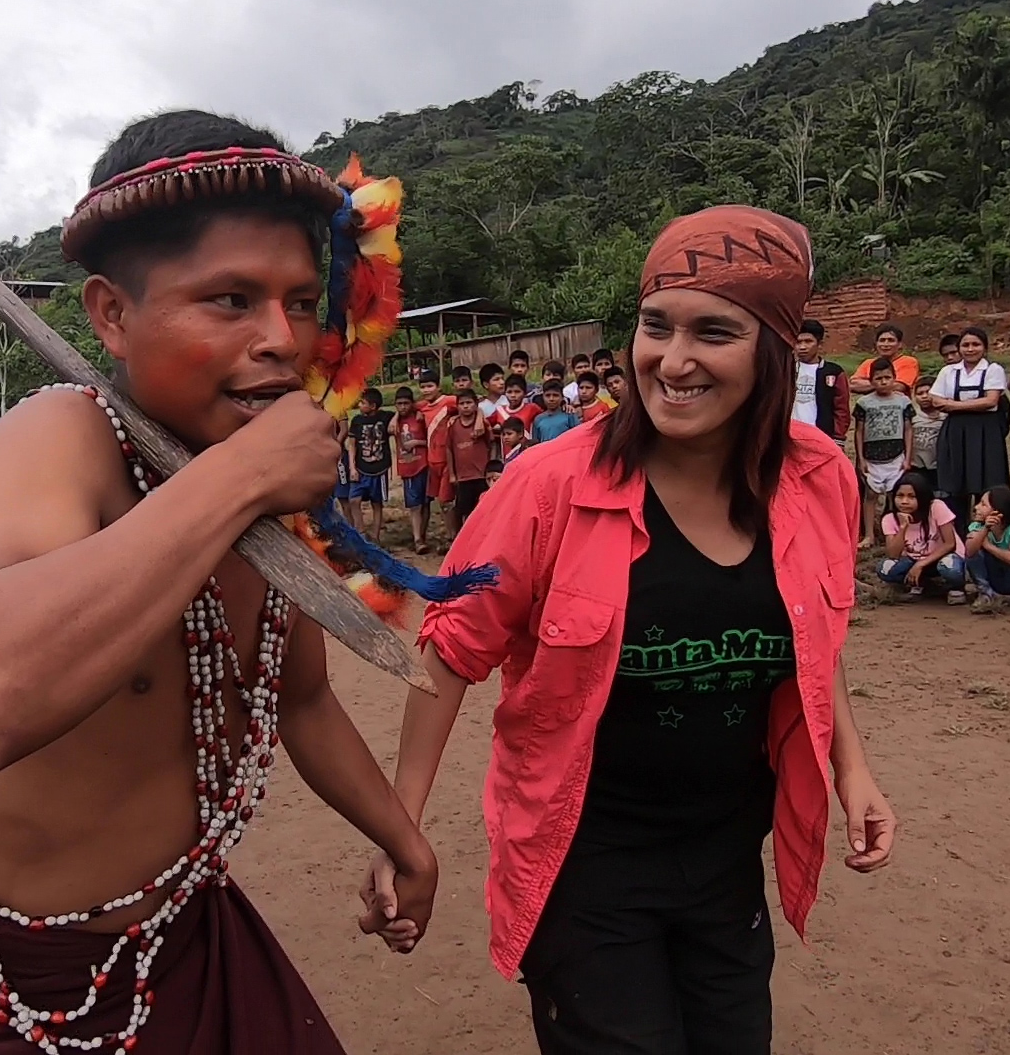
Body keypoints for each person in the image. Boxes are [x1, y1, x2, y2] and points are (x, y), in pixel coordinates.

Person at [0, 110, 437, 1054]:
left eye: (302, 302)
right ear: (111, 314)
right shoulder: (62, 438)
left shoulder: (250, 480)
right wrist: (242, 482)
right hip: (14, 982)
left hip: (189, 935)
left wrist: (404, 838)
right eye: (230, 300)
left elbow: (301, 699)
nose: (282, 339)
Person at [359, 205, 895, 1055]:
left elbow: (811, 639)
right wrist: (403, 830)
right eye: (656, 326)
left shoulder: (818, 476)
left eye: (714, 333)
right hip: (585, 865)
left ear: (774, 350)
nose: (673, 361)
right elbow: (452, 651)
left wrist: (852, 768)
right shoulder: (549, 487)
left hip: (726, 860)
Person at [925, 327, 1010, 532]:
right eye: (965, 345)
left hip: (985, 432)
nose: (970, 349)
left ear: (985, 347)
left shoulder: (993, 370)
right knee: (956, 481)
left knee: (987, 479)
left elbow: (991, 401)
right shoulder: (949, 371)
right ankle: (958, 530)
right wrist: (971, 404)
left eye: (976, 344)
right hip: (956, 431)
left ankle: (988, 528)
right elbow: (935, 398)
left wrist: (953, 405)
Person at [877, 471, 967, 604]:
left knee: (950, 568)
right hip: (914, 559)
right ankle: (921, 584)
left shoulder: (936, 507)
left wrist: (921, 564)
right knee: (885, 569)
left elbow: (950, 544)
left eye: (911, 497)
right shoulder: (889, 519)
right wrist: (903, 527)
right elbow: (892, 554)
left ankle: (956, 587)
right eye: (900, 496)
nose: (904, 501)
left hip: (942, 557)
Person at [852, 357, 915, 531]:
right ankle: (869, 534)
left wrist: (907, 457)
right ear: (871, 381)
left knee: (894, 494)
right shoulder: (864, 403)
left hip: (896, 454)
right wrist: (861, 458)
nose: (883, 382)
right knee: (871, 494)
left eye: (887, 377)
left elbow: (909, 430)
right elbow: (859, 431)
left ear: (894, 378)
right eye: (878, 379)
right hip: (872, 455)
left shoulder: (903, 401)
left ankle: (894, 531)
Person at [794, 319, 853, 442]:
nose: (802, 347)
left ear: (819, 344)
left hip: (822, 437)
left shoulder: (833, 372)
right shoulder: (787, 371)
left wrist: (838, 437)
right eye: (798, 342)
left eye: (808, 341)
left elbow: (841, 409)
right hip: (791, 436)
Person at [444, 391, 495, 532]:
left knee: (481, 509)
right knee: (461, 510)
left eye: (469, 403)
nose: (466, 406)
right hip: (463, 476)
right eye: (462, 403)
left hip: (481, 475)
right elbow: (449, 449)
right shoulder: (453, 425)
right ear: (457, 406)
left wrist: (490, 468)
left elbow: (491, 444)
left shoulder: (482, 424)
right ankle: (459, 538)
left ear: (476, 405)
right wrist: (452, 474)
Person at [350, 387, 394, 541]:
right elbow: (352, 445)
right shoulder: (356, 421)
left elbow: (403, 412)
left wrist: (394, 422)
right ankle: (361, 532)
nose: (360, 405)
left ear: (373, 406)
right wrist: (352, 467)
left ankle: (375, 536)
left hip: (379, 469)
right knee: (354, 500)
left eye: (363, 403)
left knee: (377, 502)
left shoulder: (386, 417)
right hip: (361, 468)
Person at [418, 368, 458, 534]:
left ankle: (454, 537)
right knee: (441, 502)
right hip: (432, 461)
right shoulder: (423, 406)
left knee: (446, 501)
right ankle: (451, 536)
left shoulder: (450, 401)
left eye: (430, 386)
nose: (426, 390)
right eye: (423, 387)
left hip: (448, 460)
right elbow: (404, 407)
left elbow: (472, 403)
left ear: (438, 387)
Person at [394, 385, 434, 554]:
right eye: (399, 404)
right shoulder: (394, 421)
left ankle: (422, 537)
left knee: (426, 503)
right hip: (407, 466)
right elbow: (390, 428)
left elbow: (430, 440)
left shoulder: (420, 418)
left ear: (412, 403)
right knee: (414, 505)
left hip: (423, 464)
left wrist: (417, 443)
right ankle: (417, 538)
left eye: (406, 403)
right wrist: (395, 416)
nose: (403, 407)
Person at [849, 323, 922, 394]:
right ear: (876, 344)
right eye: (882, 340)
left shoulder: (908, 362)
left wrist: (868, 384)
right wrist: (886, 385)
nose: (886, 344)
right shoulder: (868, 363)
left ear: (900, 344)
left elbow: (899, 386)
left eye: (890, 340)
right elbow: (853, 384)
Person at [910, 374, 944, 491]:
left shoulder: (946, 416)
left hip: (939, 467)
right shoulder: (912, 417)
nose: (924, 396)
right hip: (916, 466)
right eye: (919, 394)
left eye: (928, 392)